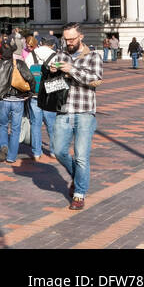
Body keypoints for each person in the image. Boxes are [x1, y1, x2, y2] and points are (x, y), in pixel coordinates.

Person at [48, 22, 104, 211]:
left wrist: (70, 70)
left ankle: (79, 193)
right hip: (63, 110)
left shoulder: (93, 56)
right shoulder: (60, 55)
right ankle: (78, 176)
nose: (69, 42)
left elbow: (96, 80)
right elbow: (51, 83)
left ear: (81, 37)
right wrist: (52, 71)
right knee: (58, 151)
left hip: (84, 111)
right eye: (66, 39)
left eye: (72, 38)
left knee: (81, 156)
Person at [0, 39, 33, 163]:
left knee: (3, 125)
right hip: (17, 100)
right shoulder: (19, 64)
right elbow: (31, 79)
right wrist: (28, 93)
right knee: (16, 129)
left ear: (0, 53)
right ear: (11, 53)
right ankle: (11, 156)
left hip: (2, 100)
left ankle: (3, 146)